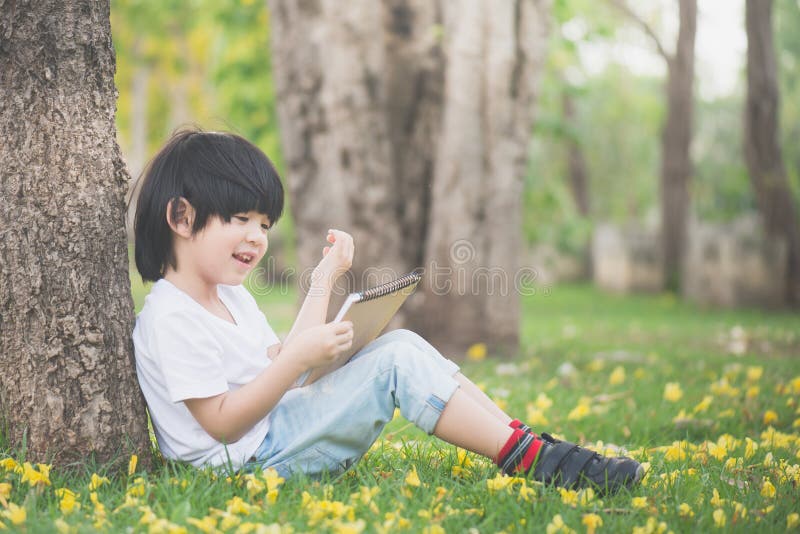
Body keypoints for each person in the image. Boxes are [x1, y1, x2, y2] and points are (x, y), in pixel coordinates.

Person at [131, 128, 643, 493]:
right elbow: (222, 425)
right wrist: (293, 360)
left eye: (264, 224)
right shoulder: (171, 317)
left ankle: (529, 446)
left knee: (399, 346)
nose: (255, 238)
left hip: (274, 437)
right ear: (181, 216)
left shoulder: (229, 296)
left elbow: (287, 367)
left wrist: (325, 279)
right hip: (244, 467)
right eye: (240, 219)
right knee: (396, 363)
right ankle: (537, 459)